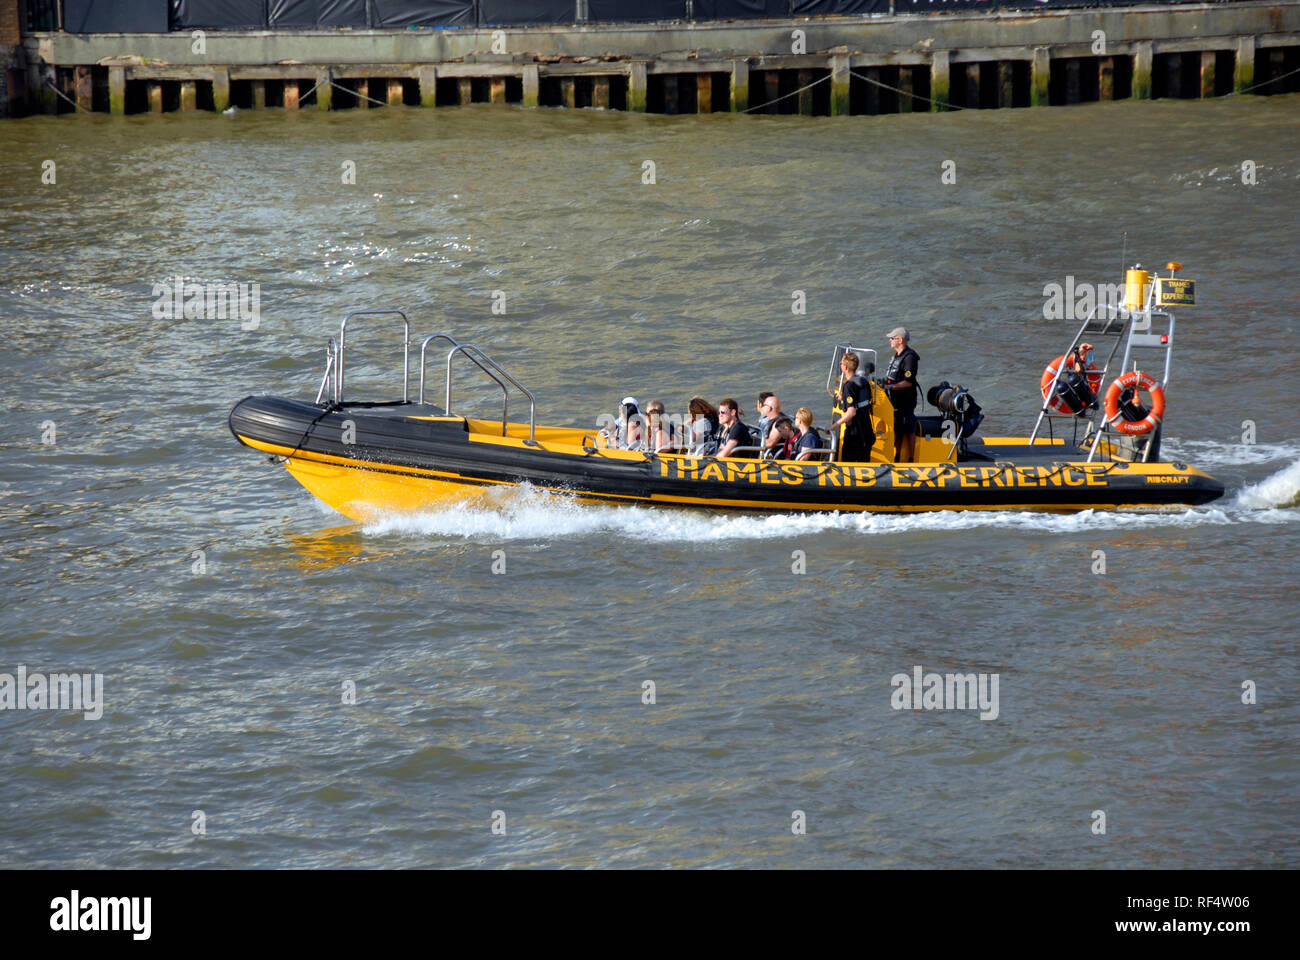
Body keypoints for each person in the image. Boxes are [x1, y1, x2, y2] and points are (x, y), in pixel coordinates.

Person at [882, 327, 920, 463]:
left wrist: (891, 386)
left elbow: (908, 382)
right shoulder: (896, 356)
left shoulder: (910, 358)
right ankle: (896, 456)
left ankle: (911, 458)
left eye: (892, 338)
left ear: (900, 340)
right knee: (898, 428)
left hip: (906, 401)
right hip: (894, 401)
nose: (890, 340)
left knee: (909, 429)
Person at [830, 352, 874, 463]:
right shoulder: (864, 382)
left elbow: (852, 412)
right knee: (864, 463)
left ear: (845, 367)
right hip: (867, 429)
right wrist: (844, 398)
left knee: (847, 463)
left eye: (841, 364)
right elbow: (861, 401)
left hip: (855, 434)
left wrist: (834, 426)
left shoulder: (849, 386)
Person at [758, 393, 788, 458]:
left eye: (764, 405)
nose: (762, 407)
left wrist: (753, 443)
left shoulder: (781, 422)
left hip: (777, 458)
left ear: (769, 408)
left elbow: (771, 442)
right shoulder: (771, 420)